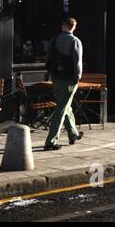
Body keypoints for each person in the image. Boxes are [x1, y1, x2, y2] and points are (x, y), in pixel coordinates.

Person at [43, 16, 85, 151]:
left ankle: (73, 134)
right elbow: (77, 62)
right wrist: (78, 77)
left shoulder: (54, 40)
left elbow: (47, 59)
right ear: (74, 27)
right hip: (69, 79)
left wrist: (51, 74)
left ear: (63, 26)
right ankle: (51, 141)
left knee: (66, 106)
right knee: (62, 108)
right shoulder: (75, 41)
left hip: (56, 78)